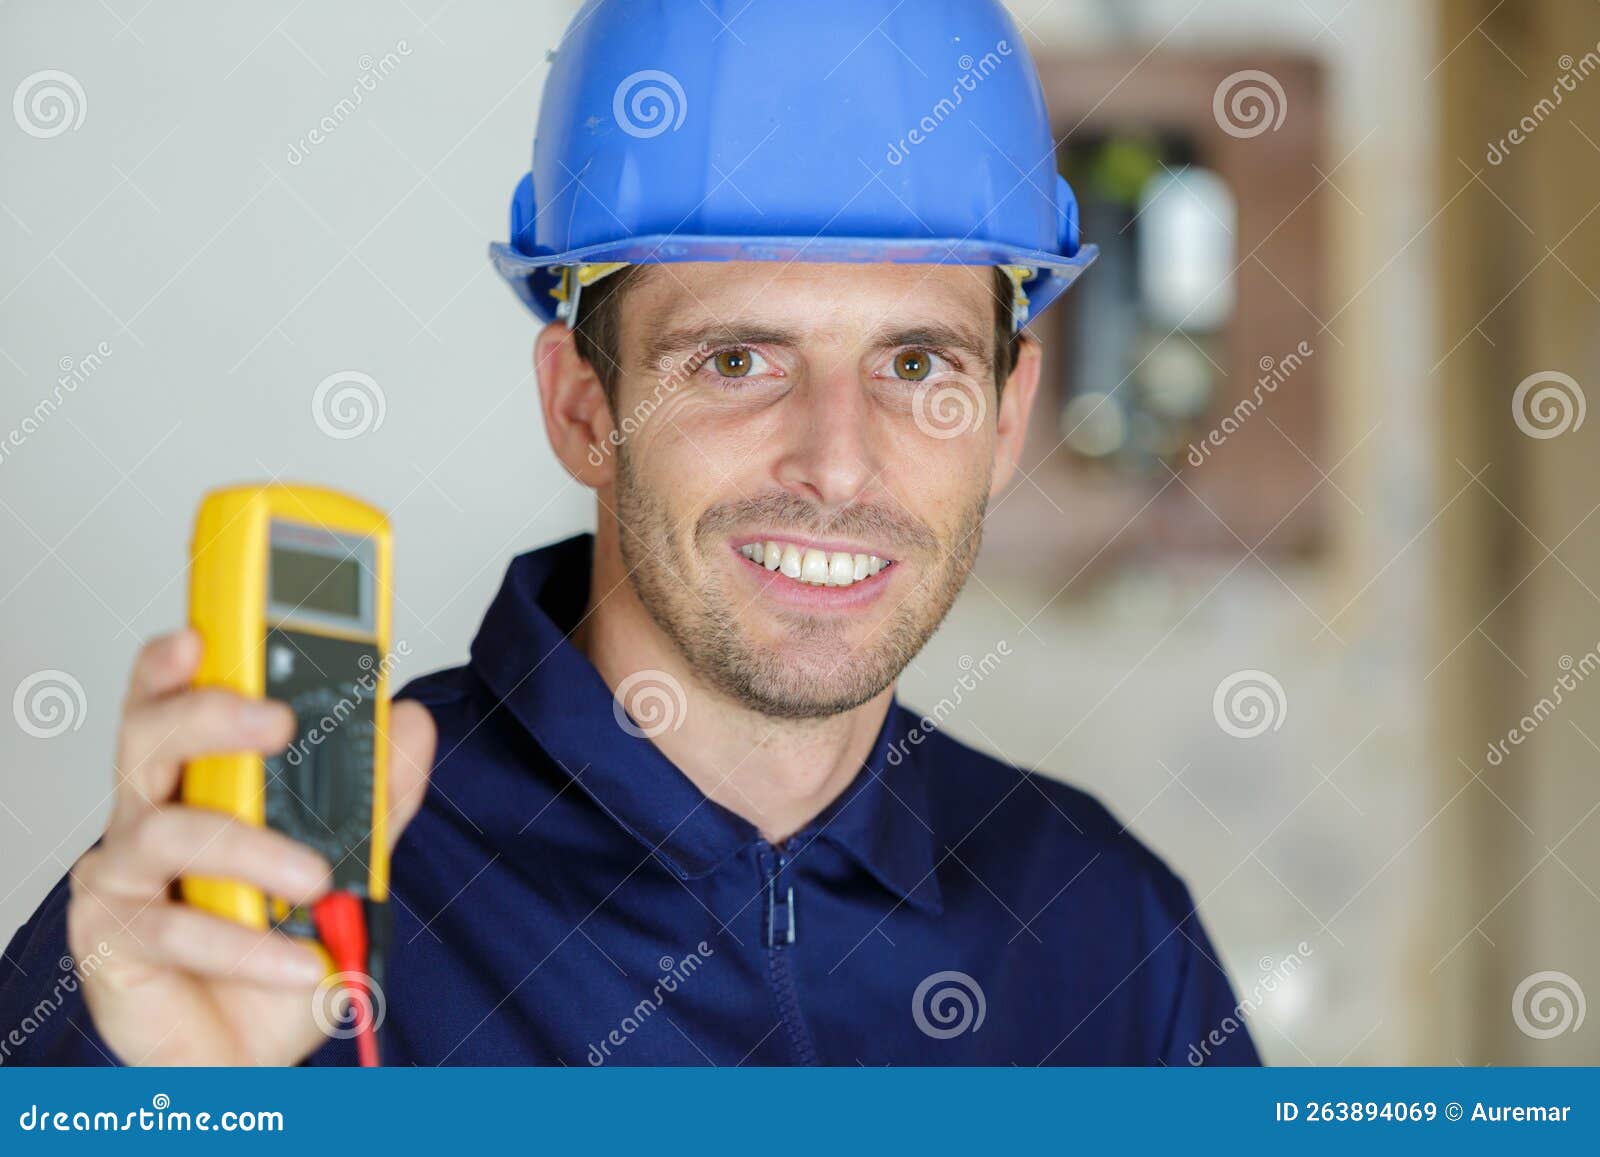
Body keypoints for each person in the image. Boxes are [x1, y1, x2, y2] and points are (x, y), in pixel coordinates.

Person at [0, 0, 1258, 1066]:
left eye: (916, 362)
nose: (836, 460)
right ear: (583, 407)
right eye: (737, 359)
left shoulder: (1101, 926)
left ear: (1004, 415)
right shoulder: (242, 913)